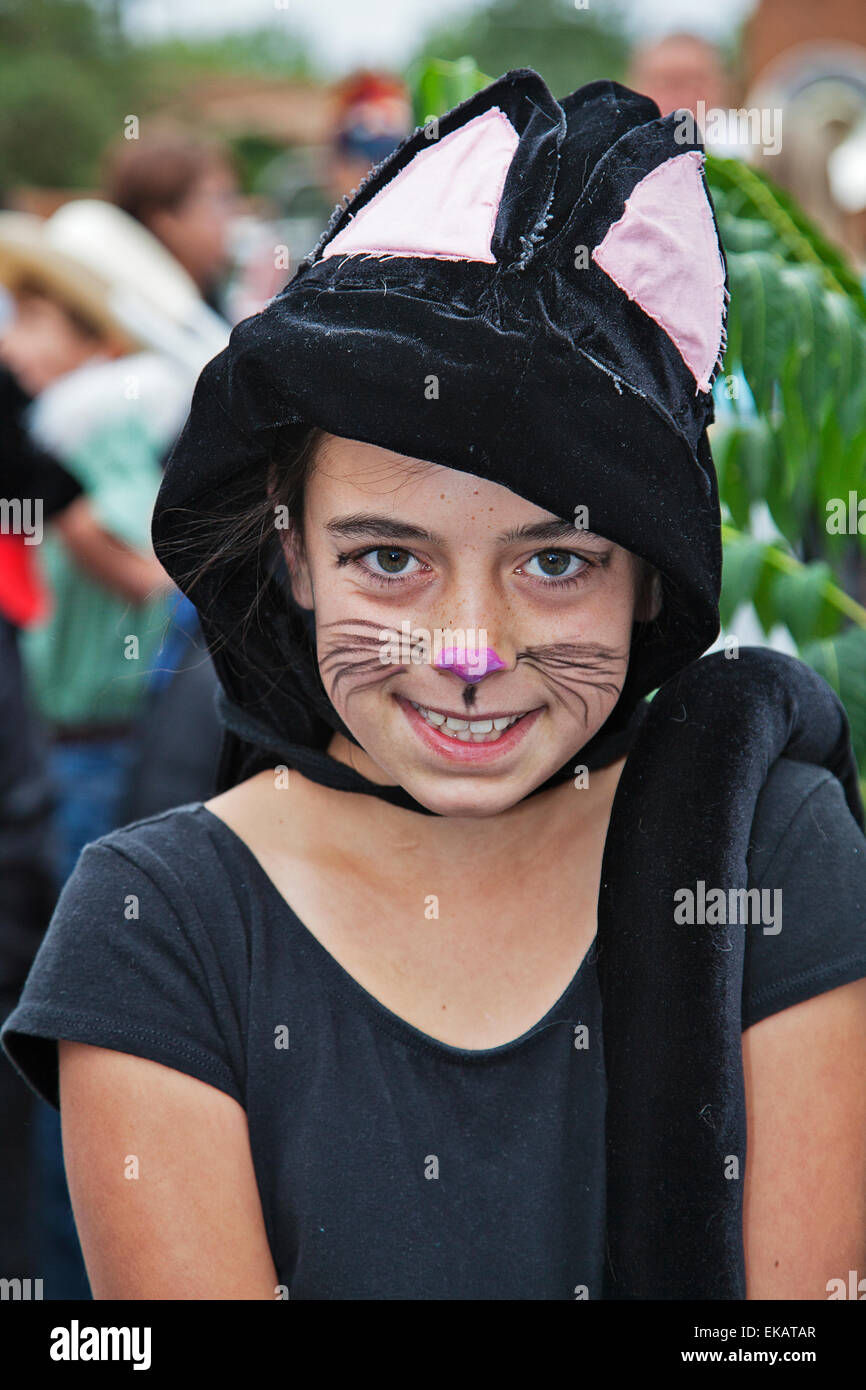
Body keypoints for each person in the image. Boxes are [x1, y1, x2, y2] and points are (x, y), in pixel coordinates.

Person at [3, 71, 866, 1301]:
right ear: (293, 555)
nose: (467, 648)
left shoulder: (765, 852)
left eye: (554, 560)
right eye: (389, 559)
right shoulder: (159, 925)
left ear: (646, 584)